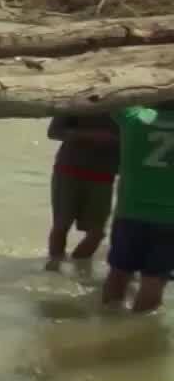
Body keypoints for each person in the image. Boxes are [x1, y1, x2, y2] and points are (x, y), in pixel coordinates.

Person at [102, 105, 174, 313]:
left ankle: (107, 323)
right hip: (170, 218)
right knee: (154, 281)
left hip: (131, 212)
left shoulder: (134, 117)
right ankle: (135, 334)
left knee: (118, 273)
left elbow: (112, 96)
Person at [45, 114, 119, 270]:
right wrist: (88, 135)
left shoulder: (130, 106)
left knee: (97, 233)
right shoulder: (79, 101)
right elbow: (53, 132)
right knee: (61, 225)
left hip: (104, 174)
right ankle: (54, 270)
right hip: (69, 170)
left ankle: (78, 267)